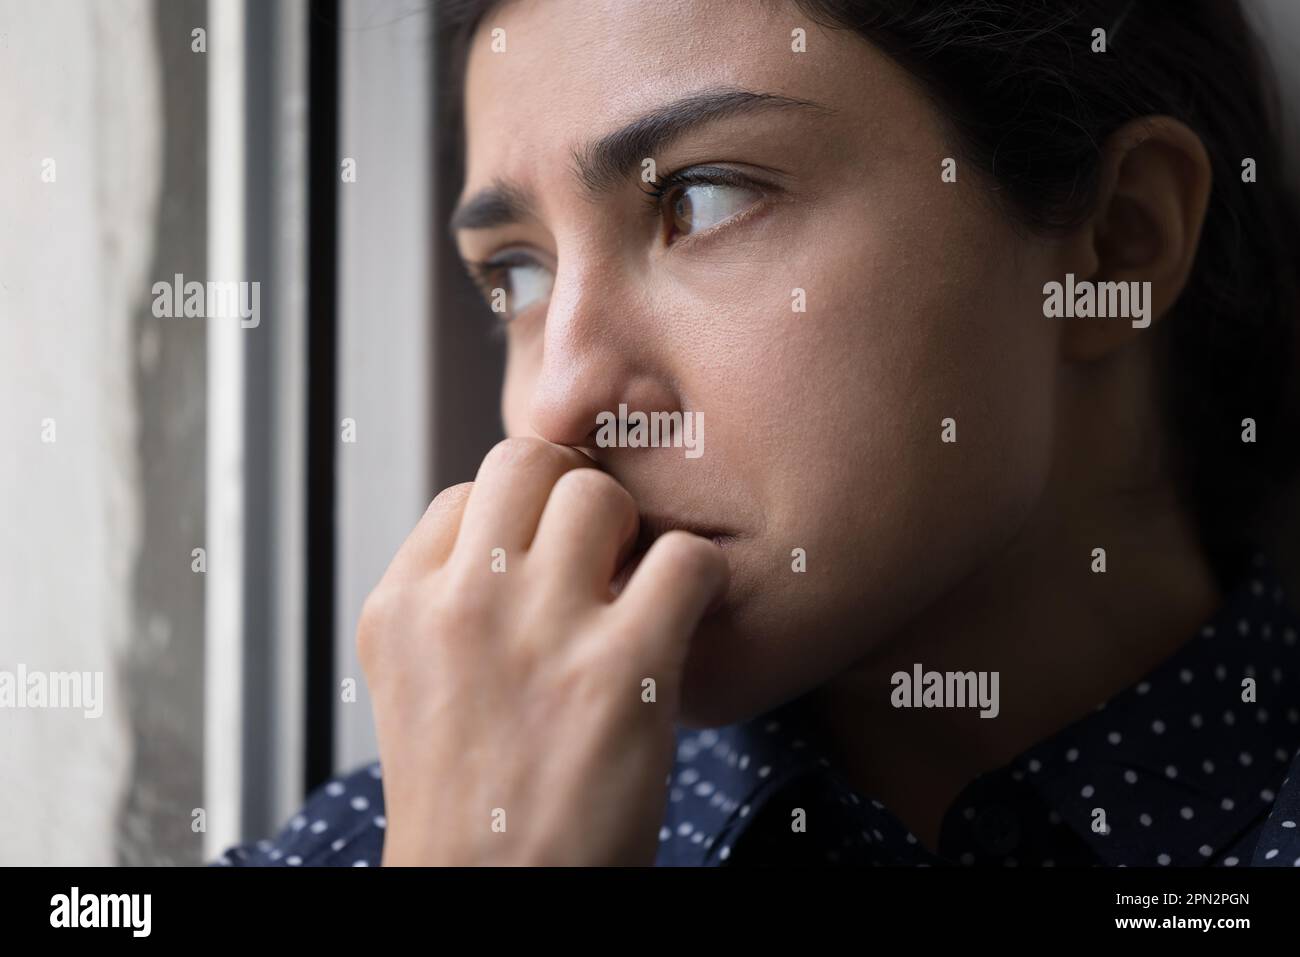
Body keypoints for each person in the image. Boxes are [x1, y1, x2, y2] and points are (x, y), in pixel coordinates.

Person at [214, 0, 1300, 867]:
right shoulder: (392, 843)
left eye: (704, 199)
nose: (555, 405)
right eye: (519, 272)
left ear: (1117, 245)